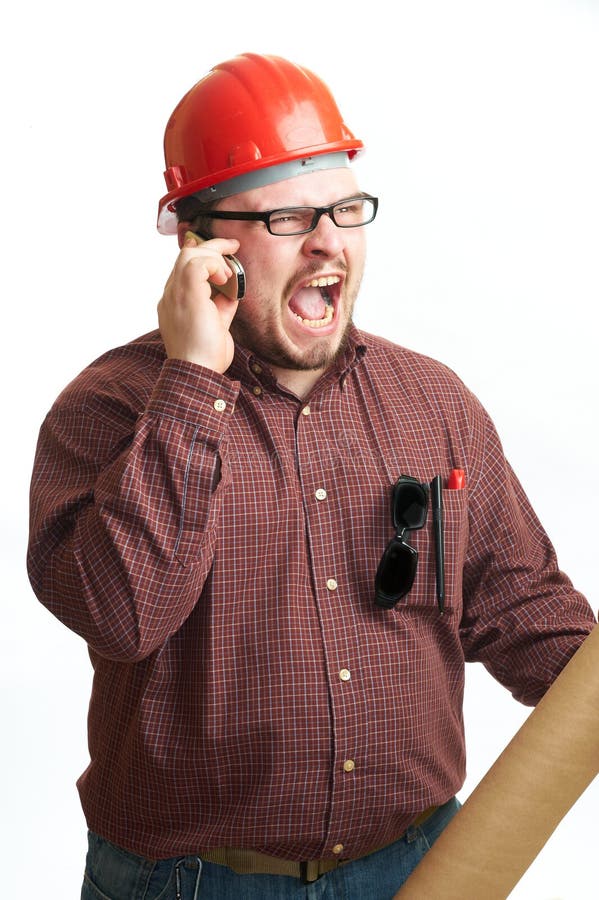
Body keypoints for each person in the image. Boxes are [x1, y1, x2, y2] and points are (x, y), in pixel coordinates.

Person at [27, 53, 596, 900]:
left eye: (345, 209)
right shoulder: (107, 411)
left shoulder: (432, 401)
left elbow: (519, 610)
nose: (331, 240)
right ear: (202, 246)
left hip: (424, 867)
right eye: (291, 216)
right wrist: (192, 380)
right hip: (191, 886)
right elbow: (122, 614)